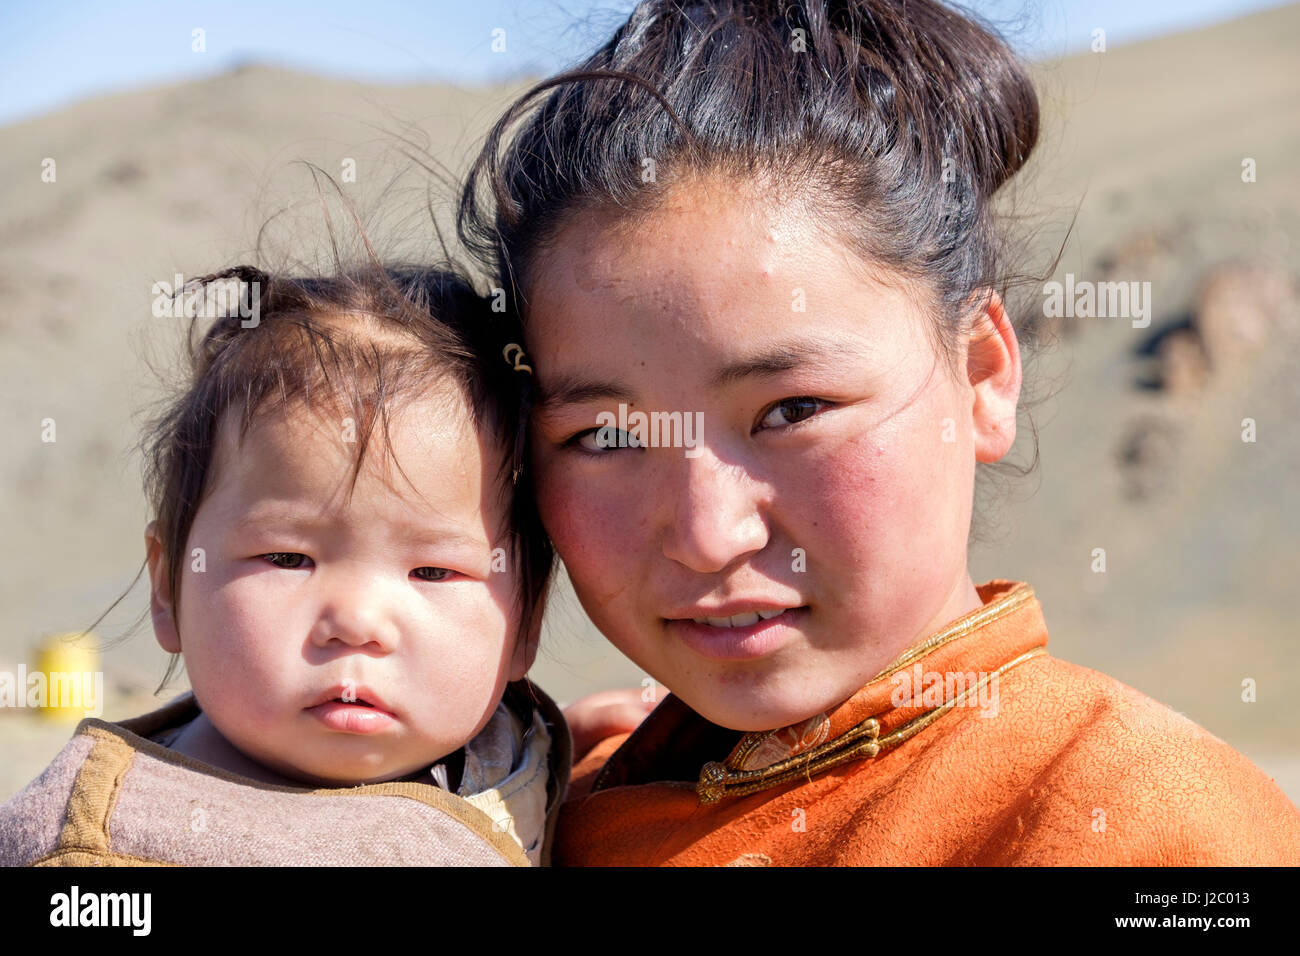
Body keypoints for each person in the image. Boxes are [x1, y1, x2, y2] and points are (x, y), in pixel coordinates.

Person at [457, 0, 1300, 864]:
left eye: (792, 410)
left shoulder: (1147, 825)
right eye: (608, 436)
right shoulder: (528, 815)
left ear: (980, 375)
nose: (709, 535)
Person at [0, 262, 569, 866]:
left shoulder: (510, 740)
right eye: (288, 558)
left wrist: (581, 761)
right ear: (169, 587)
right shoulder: (101, 850)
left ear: (525, 621)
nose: (355, 623)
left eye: (432, 572)